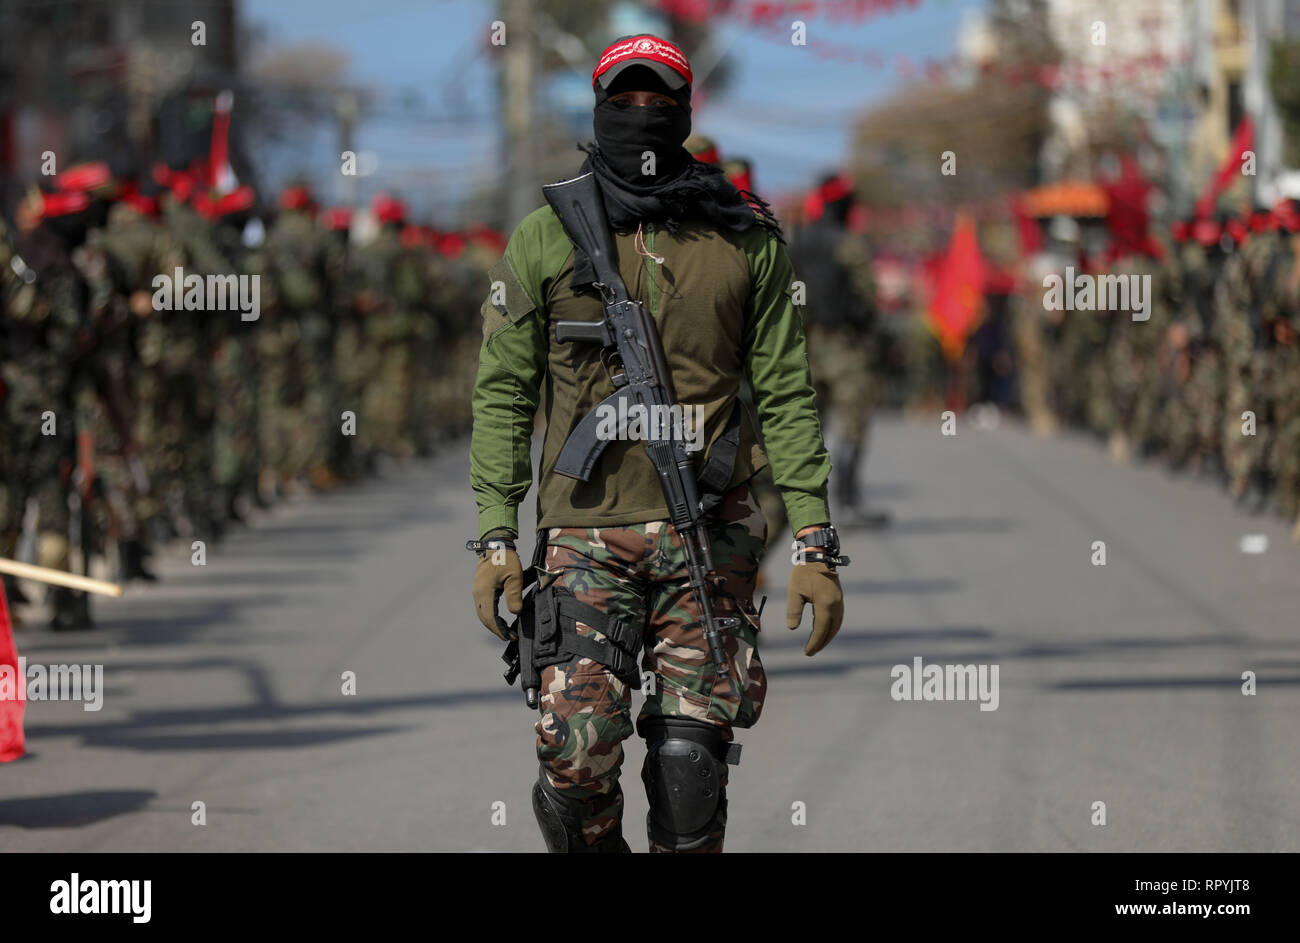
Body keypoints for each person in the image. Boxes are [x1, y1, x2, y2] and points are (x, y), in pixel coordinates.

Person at [469, 34, 845, 853]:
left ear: (685, 112)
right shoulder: (544, 237)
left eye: (661, 102)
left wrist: (814, 537)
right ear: (599, 110)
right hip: (584, 533)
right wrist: (497, 530)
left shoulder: (746, 239)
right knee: (574, 755)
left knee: (688, 769)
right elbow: (503, 390)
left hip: (711, 529)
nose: (644, 115)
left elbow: (784, 391)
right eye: (627, 101)